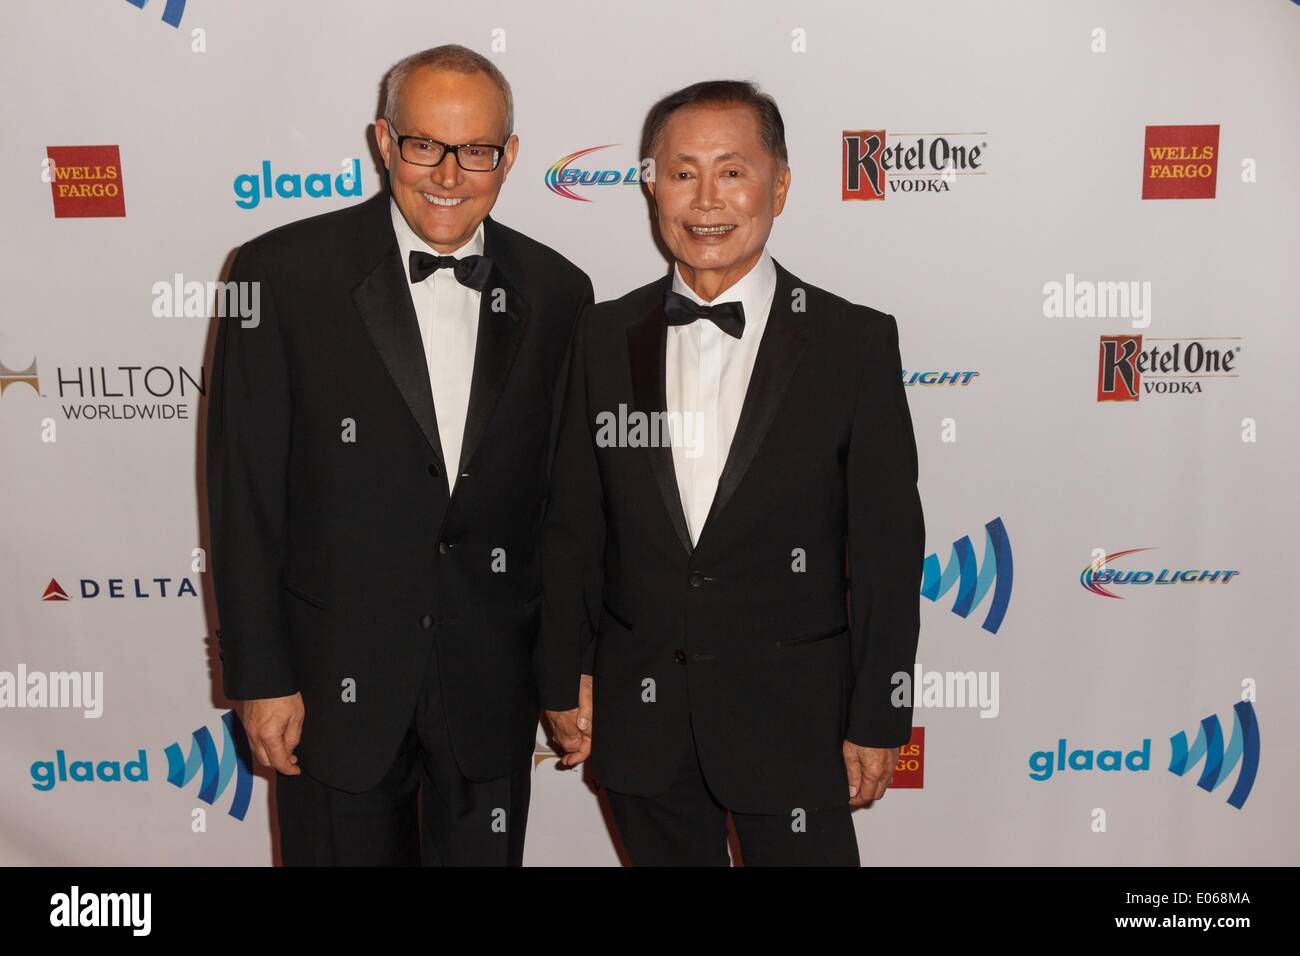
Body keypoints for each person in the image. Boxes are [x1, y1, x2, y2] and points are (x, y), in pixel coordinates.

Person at [207, 44, 592, 865]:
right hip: (329, 684)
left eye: (477, 151)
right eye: (424, 145)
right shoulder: (278, 274)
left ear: (509, 156)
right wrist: (262, 675)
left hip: (490, 681)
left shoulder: (560, 292)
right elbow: (244, 495)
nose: (449, 175)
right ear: (384, 143)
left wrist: (568, 669)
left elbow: (565, 510)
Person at [540, 80, 924, 865]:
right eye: (681, 173)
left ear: (779, 183)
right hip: (641, 715)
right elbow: (573, 525)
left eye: (732, 170)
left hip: (797, 721)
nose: (706, 199)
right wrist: (563, 669)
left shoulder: (852, 343)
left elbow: (887, 550)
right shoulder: (601, 335)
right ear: (651, 187)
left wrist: (879, 714)